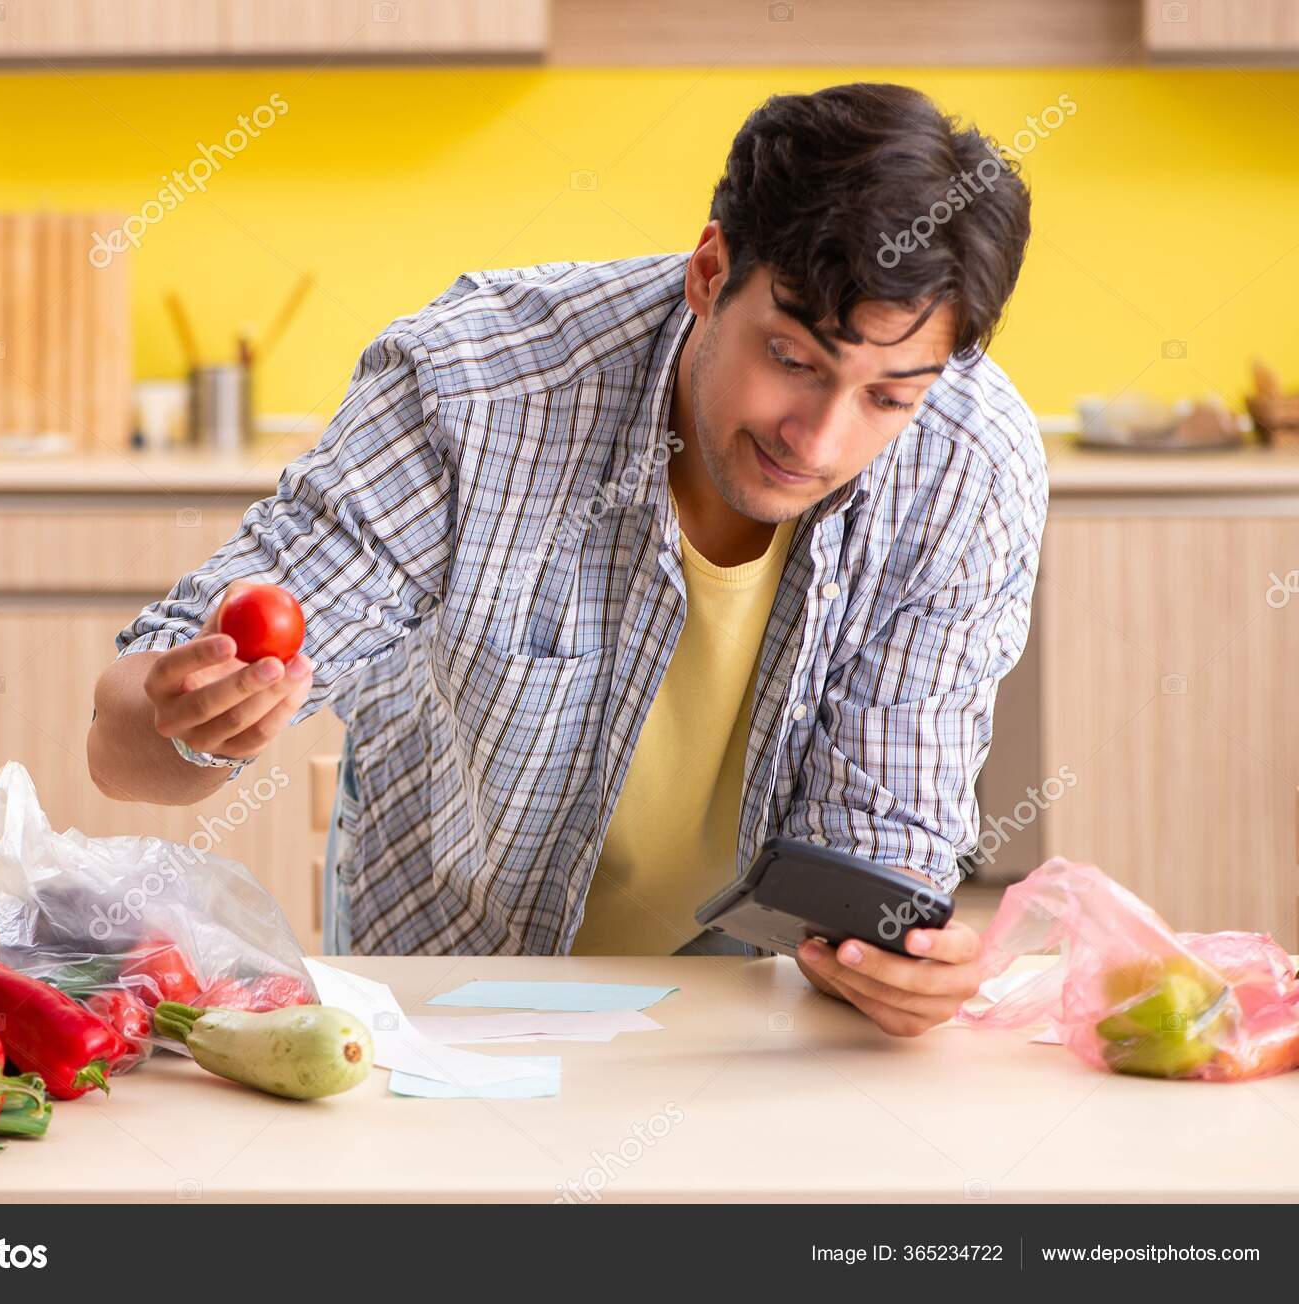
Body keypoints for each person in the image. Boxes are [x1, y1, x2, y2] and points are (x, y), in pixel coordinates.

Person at [88, 82, 1045, 1036]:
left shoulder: (969, 461)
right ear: (710, 272)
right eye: (793, 360)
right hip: (456, 975)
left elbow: (883, 844)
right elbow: (126, 746)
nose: (821, 441)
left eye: (887, 398)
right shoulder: (477, 391)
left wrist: (896, 963)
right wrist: (193, 721)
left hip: (752, 992)